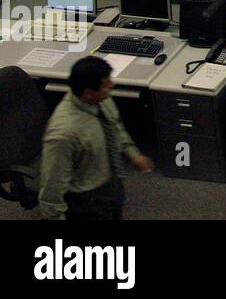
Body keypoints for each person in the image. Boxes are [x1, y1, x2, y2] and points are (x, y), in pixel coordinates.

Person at [37, 55, 154, 220]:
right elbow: (53, 184)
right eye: (106, 85)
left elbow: (115, 127)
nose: (112, 86)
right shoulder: (63, 134)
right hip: (86, 199)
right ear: (88, 93)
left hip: (109, 180)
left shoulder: (101, 99)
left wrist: (133, 154)